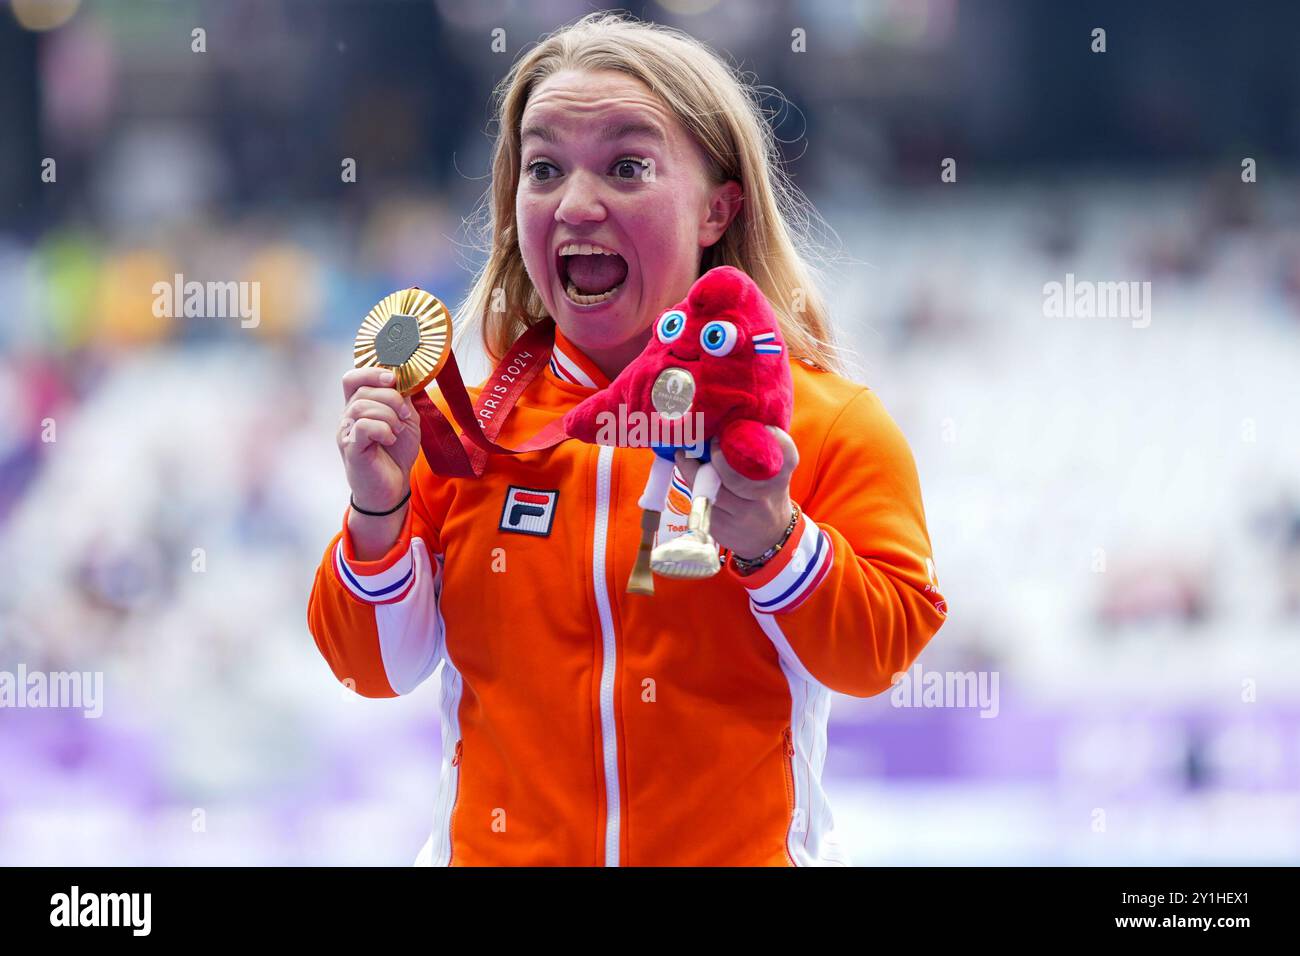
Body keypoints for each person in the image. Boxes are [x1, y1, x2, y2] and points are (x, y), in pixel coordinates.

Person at [307, 11, 947, 866]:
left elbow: (879, 658)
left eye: (628, 166)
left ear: (719, 207)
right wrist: (375, 512)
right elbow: (372, 672)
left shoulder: (822, 422)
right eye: (543, 168)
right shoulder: (461, 429)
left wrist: (772, 541)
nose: (576, 203)